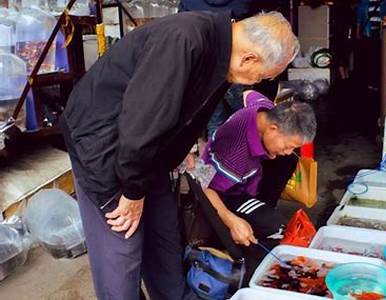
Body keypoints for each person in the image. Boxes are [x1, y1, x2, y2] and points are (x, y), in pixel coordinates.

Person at [61, 11, 299, 300]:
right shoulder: (183, 40)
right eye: (261, 76)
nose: (253, 83)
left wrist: (185, 148)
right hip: (106, 146)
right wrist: (133, 192)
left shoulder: (224, 51)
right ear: (249, 58)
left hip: (151, 153)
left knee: (165, 243)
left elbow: (182, 110)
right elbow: (141, 125)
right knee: (122, 250)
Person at [201, 90, 317, 247]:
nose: (288, 151)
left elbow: (248, 93)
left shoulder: (265, 109)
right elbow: (206, 190)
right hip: (228, 194)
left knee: (288, 160)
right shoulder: (235, 153)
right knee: (274, 227)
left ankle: (262, 207)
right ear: (273, 129)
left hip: (249, 176)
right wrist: (232, 221)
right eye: (288, 146)